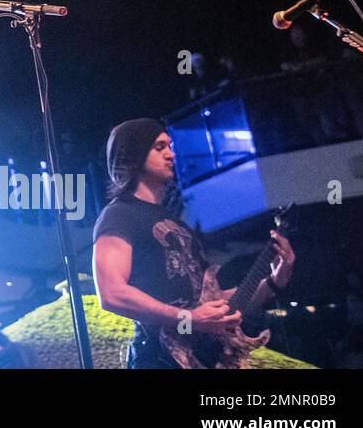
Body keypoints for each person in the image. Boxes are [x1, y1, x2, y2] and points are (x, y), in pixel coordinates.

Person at [92, 118, 295, 368]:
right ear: (133, 155)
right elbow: (112, 293)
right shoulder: (119, 215)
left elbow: (217, 307)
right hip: (160, 359)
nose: (171, 154)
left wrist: (274, 282)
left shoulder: (176, 223)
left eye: (170, 146)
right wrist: (189, 318)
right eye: (159, 147)